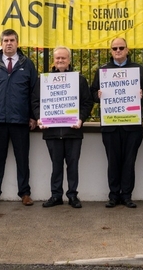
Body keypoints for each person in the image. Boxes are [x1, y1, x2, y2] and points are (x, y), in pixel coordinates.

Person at [90, 37, 143, 209]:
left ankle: (127, 195)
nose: (118, 51)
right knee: (113, 161)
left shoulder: (138, 69)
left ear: (127, 49)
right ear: (110, 51)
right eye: (114, 48)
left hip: (132, 125)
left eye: (121, 48)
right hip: (110, 125)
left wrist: (142, 94)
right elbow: (93, 93)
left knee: (129, 161)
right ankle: (113, 195)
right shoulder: (103, 70)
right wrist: (98, 95)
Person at [0, 29, 39, 206]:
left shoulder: (27, 64)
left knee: (22, 158)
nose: (9, 43)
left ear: (17, 42)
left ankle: (25, 193)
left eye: (12, 40)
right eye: (6, 40)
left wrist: (32, 116)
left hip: (20, 120)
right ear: (1, 43)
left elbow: (34, 92)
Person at [35, 46, 93, 209]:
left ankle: (73, 195)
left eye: (63, 58)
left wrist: (81, 118)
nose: (60, 61)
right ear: (53, 60)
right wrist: (40, 117)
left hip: (73, 130)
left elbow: (87, 102)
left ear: (69, 60)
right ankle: (56, 195)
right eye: (57, 58)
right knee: (56, 165)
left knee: (73, 165)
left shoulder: (79, 80)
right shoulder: (44, 80)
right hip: (52, 131)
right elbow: (35, 101)